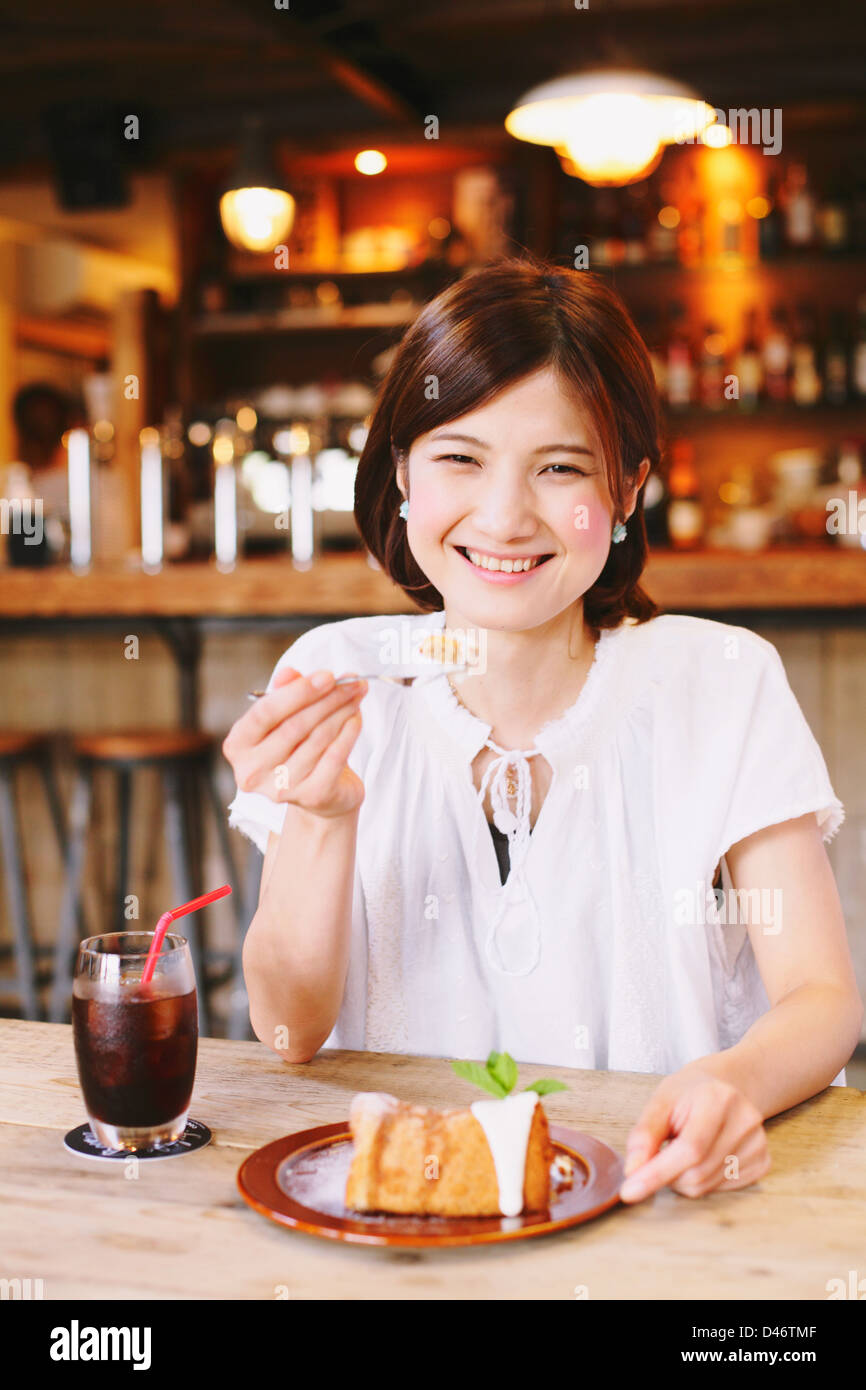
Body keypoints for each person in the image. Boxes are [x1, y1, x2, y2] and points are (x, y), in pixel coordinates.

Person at [223, 257, 862, 1203]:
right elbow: (290, 1031)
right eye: (459, 459)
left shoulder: (718, 679)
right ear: (402, 472)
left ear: (629, 487)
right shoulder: (341, 677)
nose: (506, 517)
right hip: (407, 1229)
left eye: (560, 467)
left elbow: (823, 999)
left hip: (659, 1205)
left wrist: (732, 1081)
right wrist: (322, 818)